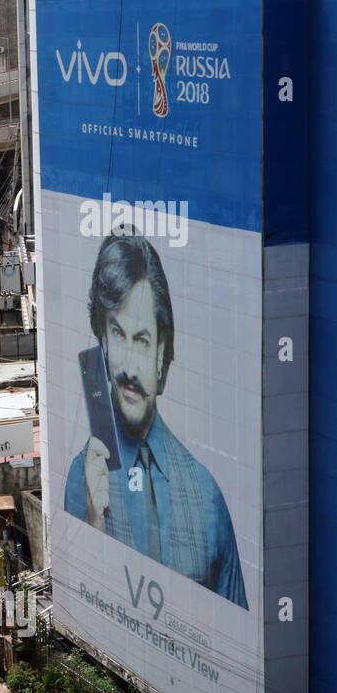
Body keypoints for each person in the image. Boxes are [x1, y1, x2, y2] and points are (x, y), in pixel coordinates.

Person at [63, 232, 247, 609]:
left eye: (143, 341)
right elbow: (79, 607)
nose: (129, 367)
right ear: (102, 341)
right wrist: (92, 525)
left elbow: (238, 631)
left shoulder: (208, 497)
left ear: (163, 353)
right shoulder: (81, 479)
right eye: (118, 334)